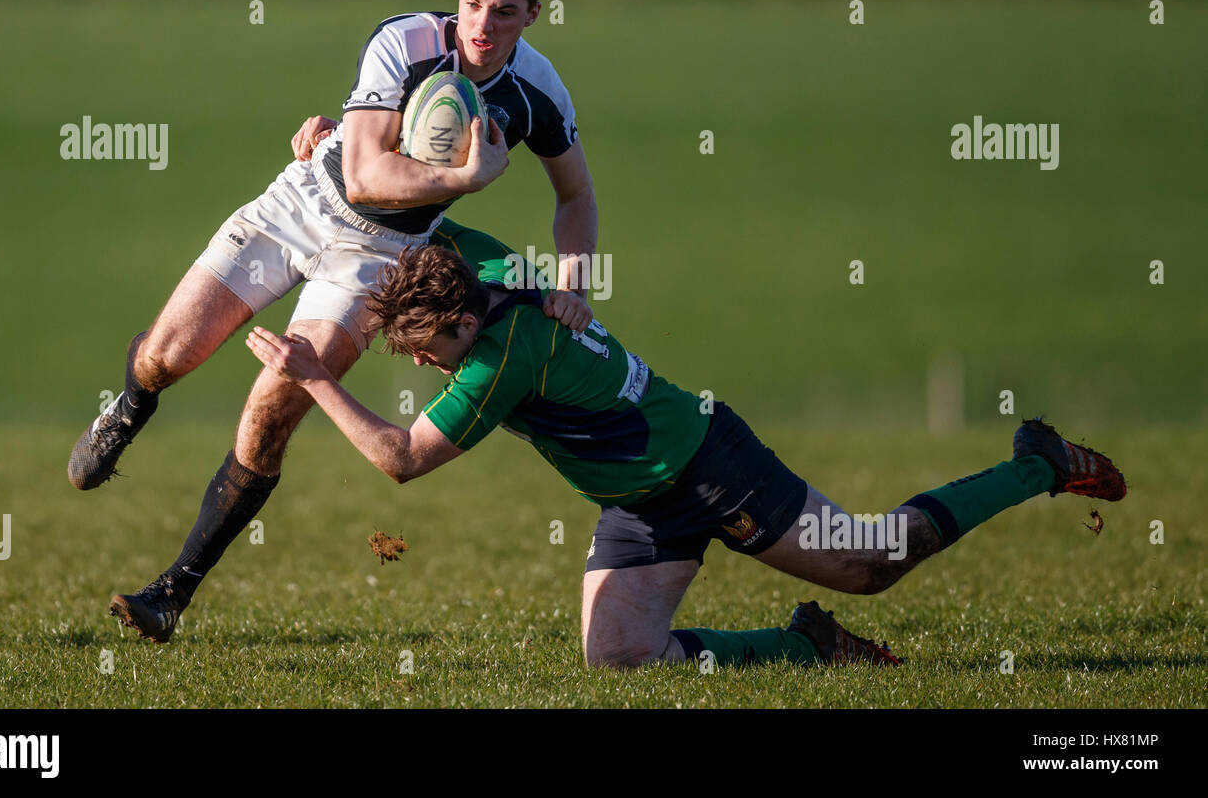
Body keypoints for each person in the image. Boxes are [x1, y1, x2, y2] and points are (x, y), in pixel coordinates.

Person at [245, 231, 1128, 670]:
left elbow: (401, 459)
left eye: (433, 350)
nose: (431, 366)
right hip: (637, 496)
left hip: (707, 467)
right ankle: (807, 650)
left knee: (874, 561)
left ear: (467, 324)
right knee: (619, 660)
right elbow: (418, 217)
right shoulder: (483, 263)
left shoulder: (501, 357)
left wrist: (314, 376)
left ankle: (1039, 461)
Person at [71, 0, 598, 642]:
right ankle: (129, 408)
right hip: (302, 206)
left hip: (379, 258)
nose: (482, 25)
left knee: (273, 409)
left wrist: (575, 282)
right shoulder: (405, 43)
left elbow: (576, 196)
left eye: (504, 11)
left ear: (532, 15)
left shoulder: (537, 91)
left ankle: (171, 592)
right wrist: (464, 180)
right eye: (472, 3)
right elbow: (361, 176)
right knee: (168, 356)